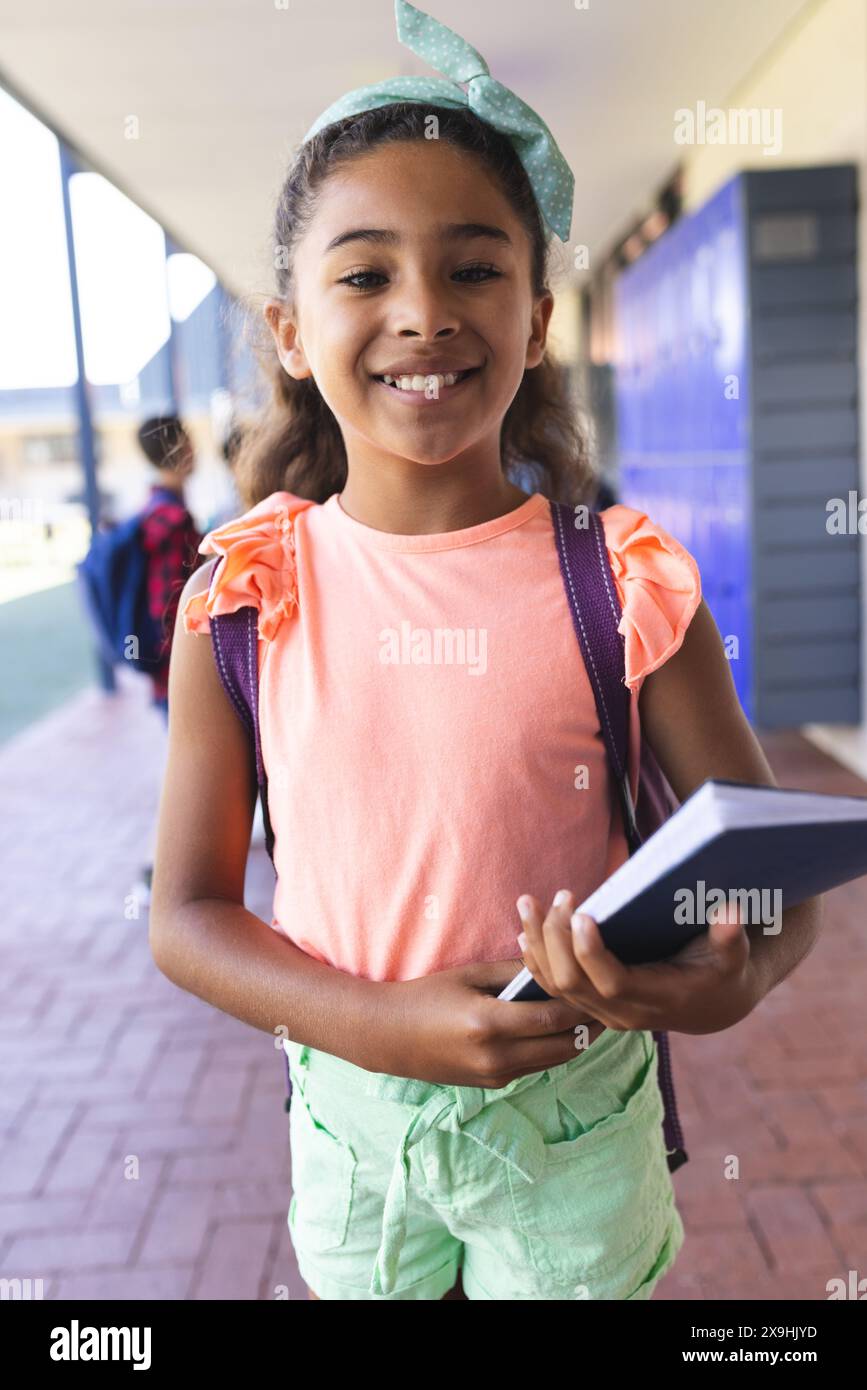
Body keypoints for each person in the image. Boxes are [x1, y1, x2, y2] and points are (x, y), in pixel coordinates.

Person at [148, 0, 822, 1302]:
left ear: (533, 318)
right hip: (351, 1130)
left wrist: (706, 988)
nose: (420, 312)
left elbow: (765, 884)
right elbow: (187, 916)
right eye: (361, 275)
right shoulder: (243, 593)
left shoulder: (619, 580)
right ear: (289, 329)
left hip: (574, 1123)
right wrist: (379, 1023)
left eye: (471, 268)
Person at [133, 414, 203, 902]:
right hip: (177, 673)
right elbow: (169, 609)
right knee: (192, 775)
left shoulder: (154, 510)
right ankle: (165, 873)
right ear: (177, 449)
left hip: (164, 674)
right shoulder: (172, 520)